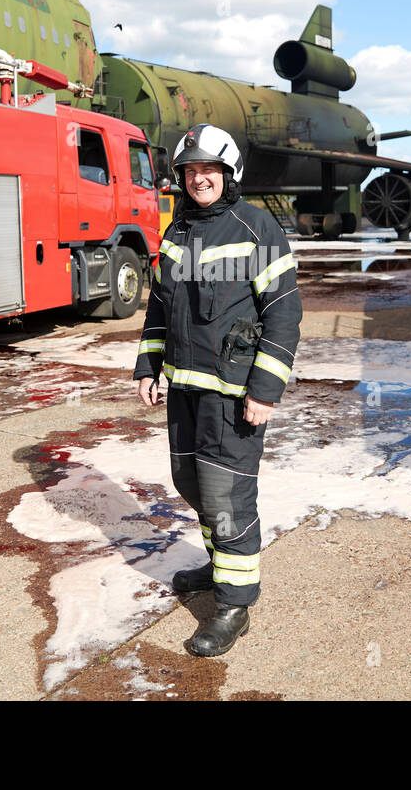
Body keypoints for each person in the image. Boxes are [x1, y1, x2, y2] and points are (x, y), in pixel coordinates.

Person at [133, 123, 302, 657]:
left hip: (234, 393)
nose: (198, 178)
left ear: (229, 174)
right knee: (190, 480)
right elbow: (160, 304)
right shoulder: (177, 230)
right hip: (184, 387)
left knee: (227, 494)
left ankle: (234, 604)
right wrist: (147, 365)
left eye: (208, 170)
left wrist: (266, 389)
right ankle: (218, 563)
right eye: (190, 170)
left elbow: (283, 313)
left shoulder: (256, 228)